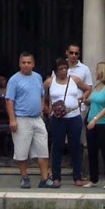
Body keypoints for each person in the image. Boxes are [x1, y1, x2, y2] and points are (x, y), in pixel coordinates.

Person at [5, 51, 50, 189]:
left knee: (43, 149)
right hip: (21, 118)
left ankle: (44, 179)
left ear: (33, 64)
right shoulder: (14, 80)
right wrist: (12, 119)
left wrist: (42, 109)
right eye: (23, 63)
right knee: (21, 150)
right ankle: (24, 177)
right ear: (19, 64)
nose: (26, 65)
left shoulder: (37, 77)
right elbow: (9, 100)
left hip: (37, 118)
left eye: (29, 63)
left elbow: (42, 95)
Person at [44, 56, 85, 187]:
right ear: (55, 70)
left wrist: (83, 98)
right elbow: (42, 94)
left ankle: (77, 175)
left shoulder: (74, 80)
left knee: (75, 146)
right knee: (57, 146)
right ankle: (56, 176)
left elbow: (88, 88)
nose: (63, 71)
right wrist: (47, 108)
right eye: (60, 69)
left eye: (65, 68)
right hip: (57, 118)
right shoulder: (50, 82)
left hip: (73, 116)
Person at [84, 61, 105, 186]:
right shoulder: (97, 86)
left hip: (103, 123)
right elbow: (92, 102)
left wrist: (95, 119)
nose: (95, 73)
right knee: (92, 151)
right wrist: (85, 100)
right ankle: (93, 178)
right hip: (91, 122)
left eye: (97, 70)